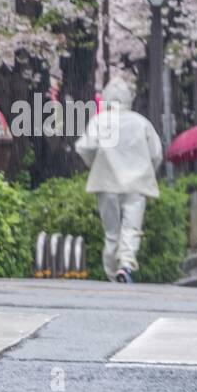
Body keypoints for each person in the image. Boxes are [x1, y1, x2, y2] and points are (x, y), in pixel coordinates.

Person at [74, 75, 162, 283]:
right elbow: (156, 154)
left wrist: (95, 163)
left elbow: (85, 147)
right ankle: (126, 265)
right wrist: (146, 170)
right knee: (131, 228)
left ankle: (113, 276)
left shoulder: (100, 121)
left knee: (112, 232)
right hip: (136, 184)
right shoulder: (142, 123)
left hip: (106, 182)